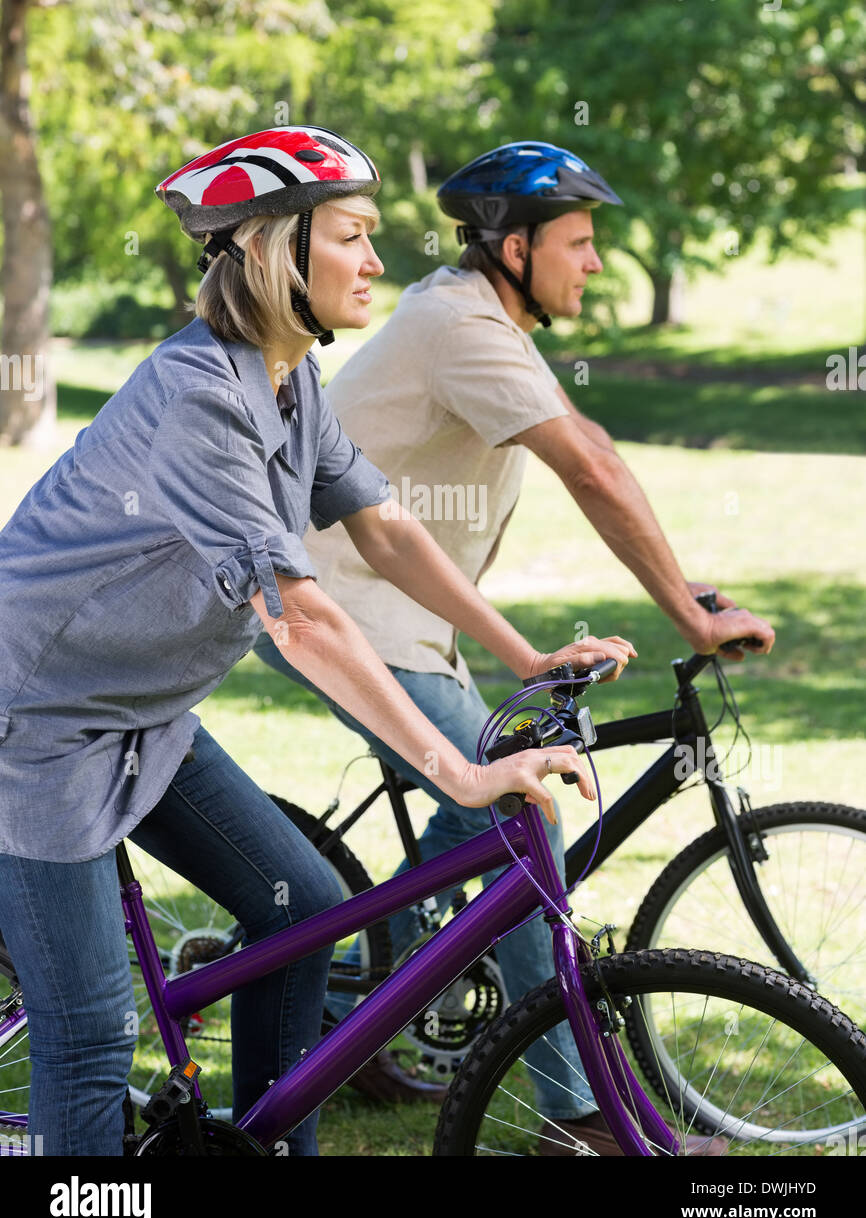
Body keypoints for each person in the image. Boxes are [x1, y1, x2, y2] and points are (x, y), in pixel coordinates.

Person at [0, 126, 599, 1157]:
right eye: (353, 237)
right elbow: (300, 612)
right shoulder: (198, 396)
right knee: (93, 1035)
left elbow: (385, 526)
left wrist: (520, 653)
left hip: (143, 714)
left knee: (306, 908)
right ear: (277, 250)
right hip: (37, 725)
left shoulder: (288, 382)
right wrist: (456, 770)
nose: (375, 262)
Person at [253, 139, 774, 1155]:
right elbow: (591, 466)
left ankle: (352, 1016)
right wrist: (689, 616)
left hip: (389, 609)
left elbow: (579, 440)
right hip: (339, 609)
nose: (592, 264)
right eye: (576, 244)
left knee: (481, 834)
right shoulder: (458, 323)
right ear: (513, 245)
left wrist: (584, 627)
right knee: (508, 834)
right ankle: (576, 1115)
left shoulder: (484, 317)